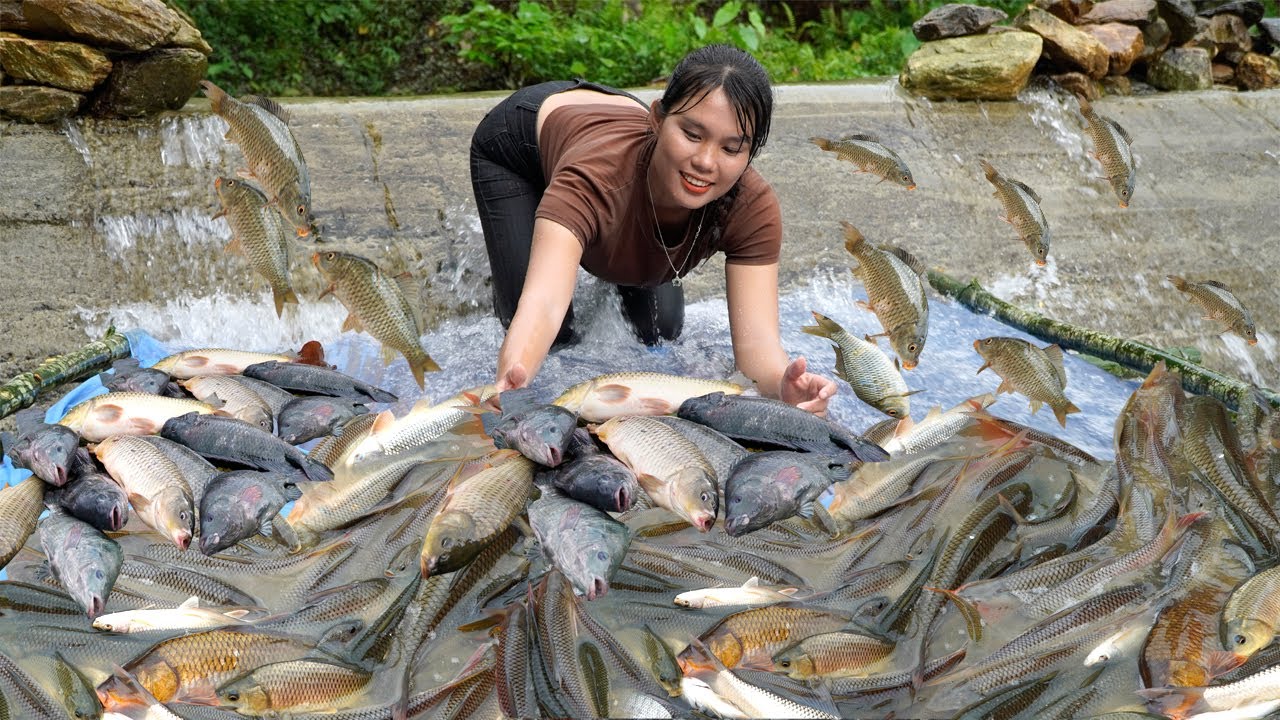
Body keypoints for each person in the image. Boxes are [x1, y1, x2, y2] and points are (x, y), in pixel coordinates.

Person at [469, 44, 836, 415]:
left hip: (603, 132)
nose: (705, 162)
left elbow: (758, 345)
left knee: (659, 330)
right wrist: (511, 380)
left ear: (750, 152)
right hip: (519, 143)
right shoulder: (593, 181)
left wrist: (784, 387)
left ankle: (596, 240)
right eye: (692, 135)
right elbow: (544, 305)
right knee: (555, 337)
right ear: (658, 119)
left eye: (730, 149)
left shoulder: (751, 206)